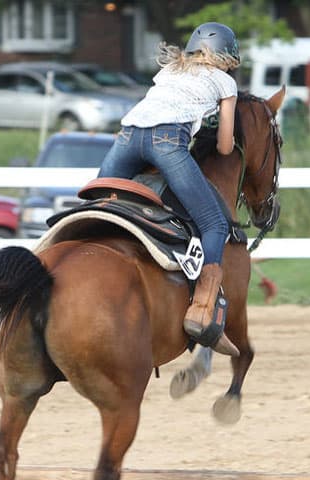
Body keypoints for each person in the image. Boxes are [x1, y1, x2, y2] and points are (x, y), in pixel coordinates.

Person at [96, 22, 241, 356]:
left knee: (97, 203)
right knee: (215, 224)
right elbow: (223, 147)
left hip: (128, 137)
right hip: (167, 141)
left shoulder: (170, 69)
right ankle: (202, 312)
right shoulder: (224, 82)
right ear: (225, 56)